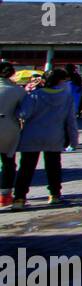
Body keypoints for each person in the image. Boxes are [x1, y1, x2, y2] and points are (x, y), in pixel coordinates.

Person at [0, 62, 26, 210]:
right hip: (8, 126)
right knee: (8, 162)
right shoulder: (17, 90)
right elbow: (23, 112)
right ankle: (5, 196)